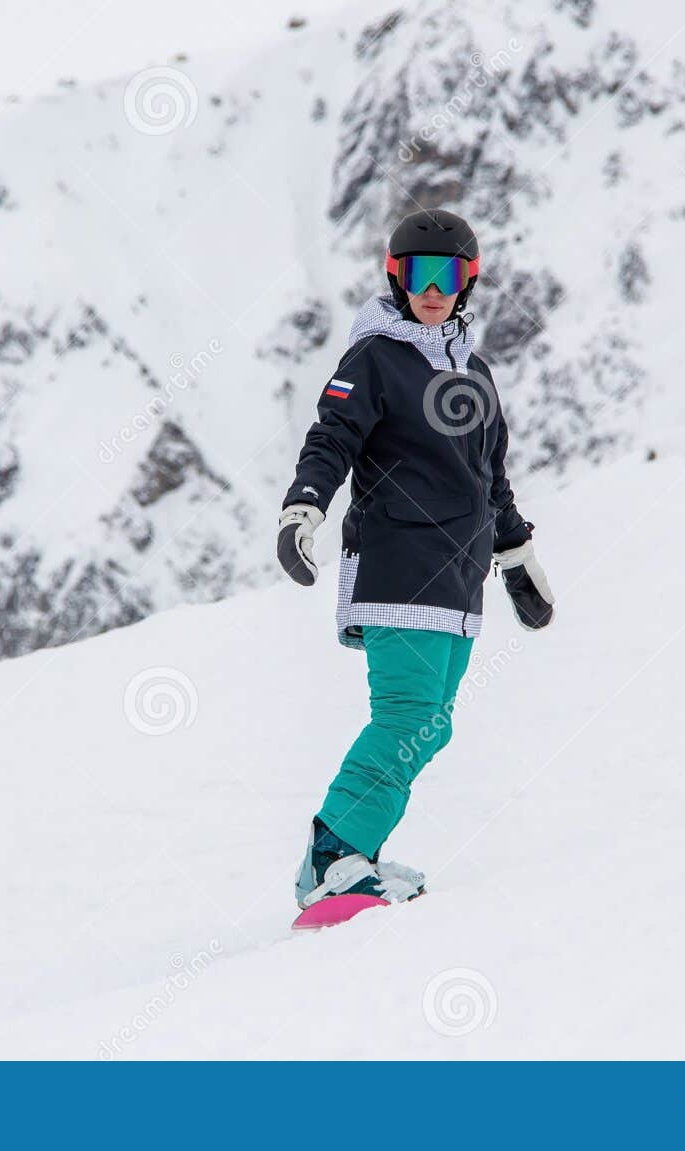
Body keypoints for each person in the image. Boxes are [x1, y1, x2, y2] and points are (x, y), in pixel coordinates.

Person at [277, 207, 556, 911]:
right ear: (397, 279)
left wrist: (517, 554)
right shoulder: (374, 358)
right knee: (405, 716)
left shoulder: (475, 371)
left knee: (433, 722)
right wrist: (304, 504)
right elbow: (331, 436)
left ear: (469, 283)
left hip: (460, 577)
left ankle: (357, 856)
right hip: (399, 564)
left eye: (450, 274)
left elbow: (490, 477)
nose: (434, 288)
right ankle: (332, 857)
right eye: (420, 274)